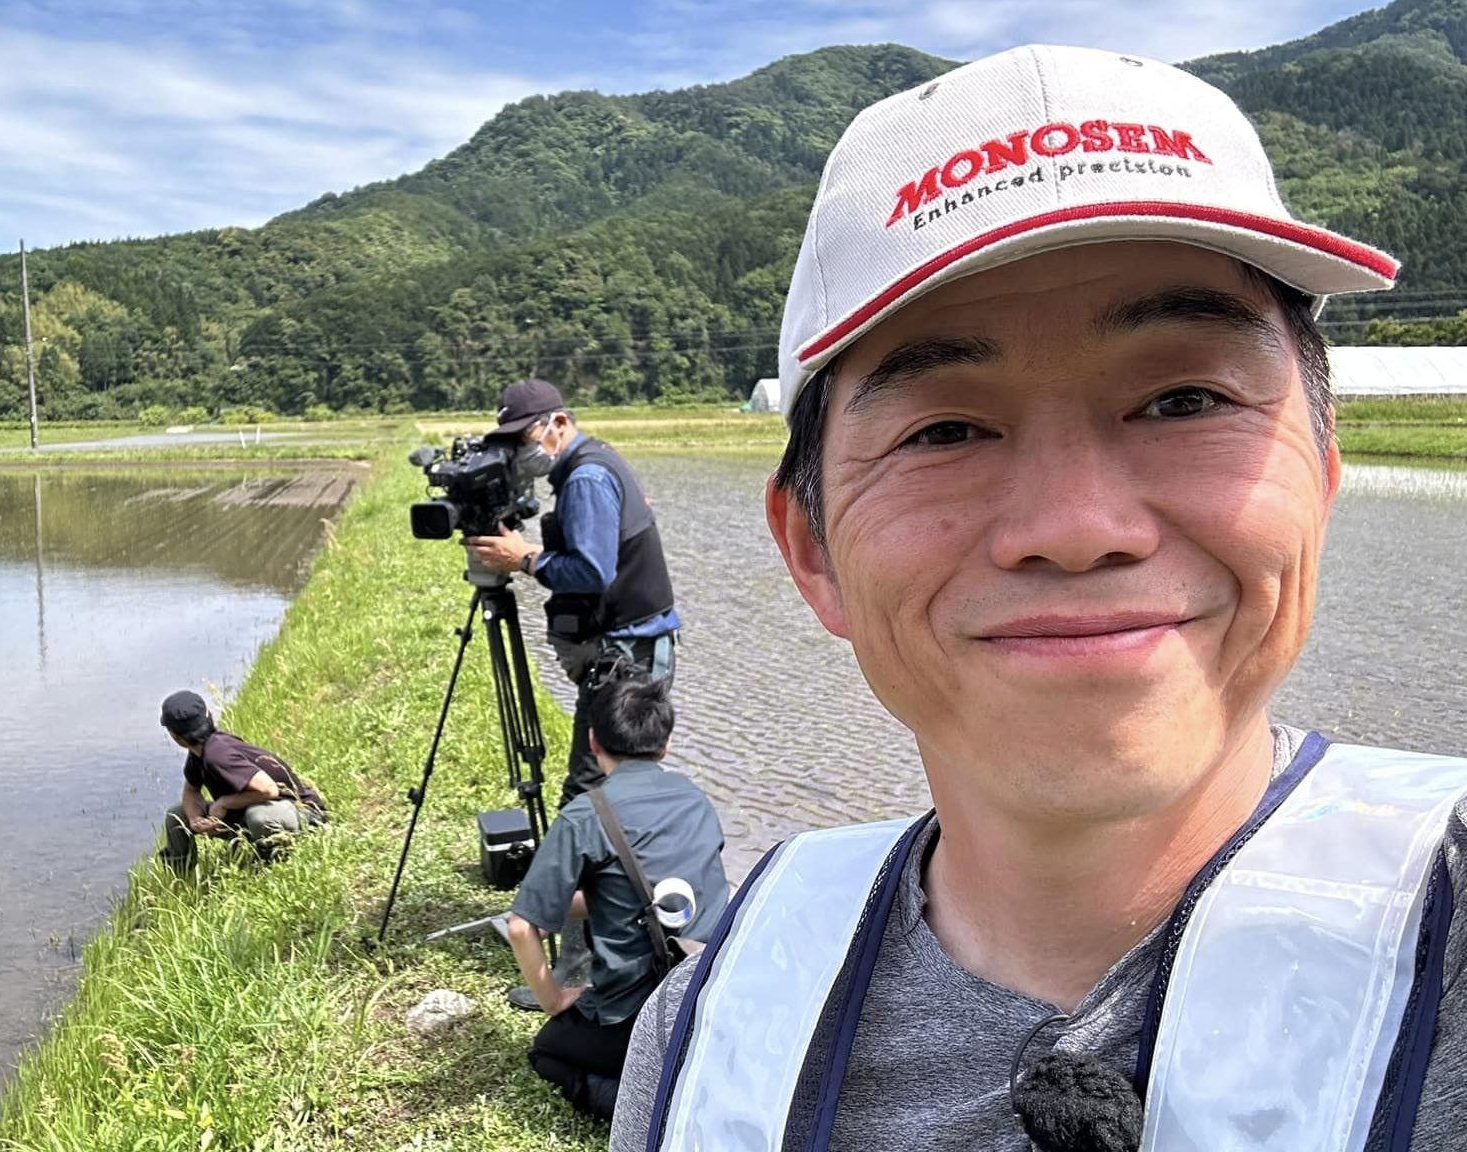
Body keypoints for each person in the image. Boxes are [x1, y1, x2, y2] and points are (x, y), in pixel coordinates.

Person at [613, 44, 1467, 1152]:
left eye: (1181, 400)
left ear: (1320, 475)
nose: (1074, 527)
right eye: (946, 429)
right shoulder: (708, 1023)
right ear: (809, 549)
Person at [506, 673, 728, 1122]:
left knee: (547, 1052)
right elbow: (647, 892)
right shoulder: (695, 799)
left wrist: (551, 998)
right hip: (709, 1003)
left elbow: (521, 927)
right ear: (663, 745)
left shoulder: (585, 815)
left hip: (633, 1019)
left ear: (593, 742)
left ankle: (641, 1108)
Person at [466, 378, 681, 805]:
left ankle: (579, 870)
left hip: (626, 654)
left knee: (590, 791)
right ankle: (623, 866)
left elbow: (592, 570)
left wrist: (525, 558)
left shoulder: (586, 478)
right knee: (619, 784)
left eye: (523, 437)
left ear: (558, 422)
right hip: (632, 647)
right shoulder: (593, 460)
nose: (518, 452)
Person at [156, 690, 325, 872]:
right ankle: (181, 877)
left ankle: (273, 867)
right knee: (176, 815)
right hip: (253, 812)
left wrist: (223, 804)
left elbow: (268, 790)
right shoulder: (198, 753)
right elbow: (191, 790)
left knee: (258, 817)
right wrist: (196, 820)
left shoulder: (217, 754)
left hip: (302, 813)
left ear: (175, 736)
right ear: (209, 716)